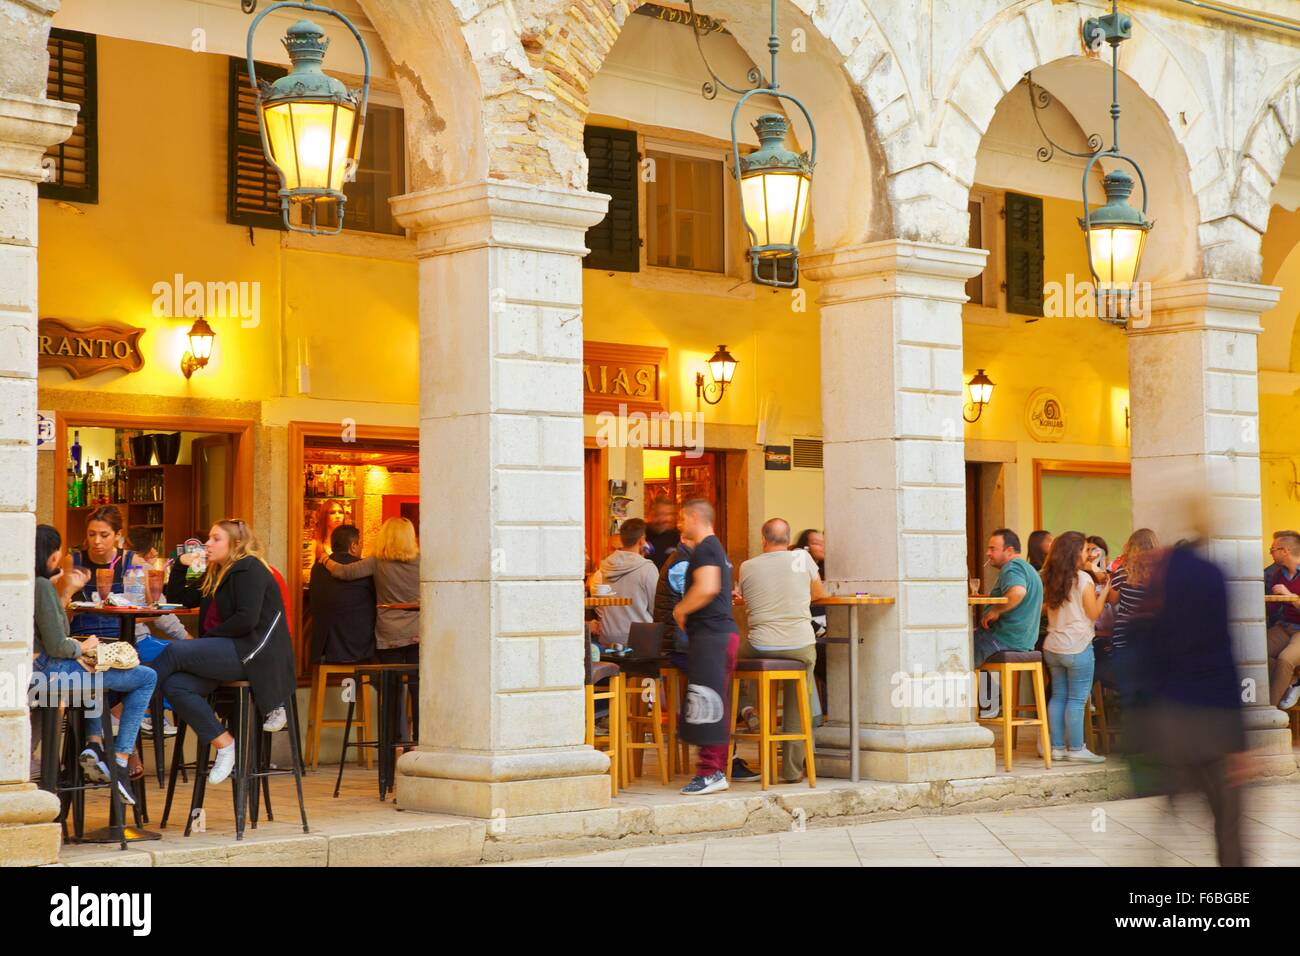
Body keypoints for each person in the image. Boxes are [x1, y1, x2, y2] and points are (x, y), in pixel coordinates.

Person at [1129, 540, 1249, 866]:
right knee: (1228, 819)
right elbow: (1224, 662)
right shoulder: (1211, 579)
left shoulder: (1156, 592)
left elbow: (1141, 661)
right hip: (1213, 723)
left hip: (1170, 722)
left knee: (1167, 818)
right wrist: (1240, 743)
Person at [154, 519, 296, 785]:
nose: (207, 544)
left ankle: (123, 708)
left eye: (216, 538)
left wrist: (205, 642)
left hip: (250, 654)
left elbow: (246, 620)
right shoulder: (216, 571)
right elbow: (178, 599)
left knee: (175, 651)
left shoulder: (249, 568)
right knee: (176, 685)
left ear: (236, 544)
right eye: (208, 538)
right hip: (225, 652)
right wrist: (179, 567)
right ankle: (223, 743)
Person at [30, 524, 157, 806]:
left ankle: (95, 744)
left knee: (96, 676)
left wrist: (66, 593)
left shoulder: (34, 584)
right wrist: (83, 647)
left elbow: (54, 630)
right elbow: (58, 644)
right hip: (53, 674)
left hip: (43, 674)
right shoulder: (40, 585)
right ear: (51, 555)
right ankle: (121, 759)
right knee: (146, 677)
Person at [736, 518, 827, 783]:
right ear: (788, 540)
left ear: (763, 539)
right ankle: (791, 770)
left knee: (732, 660)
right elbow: (818, 594)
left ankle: (749, 710)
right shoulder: (802, 558)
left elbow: (745, 599)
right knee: (797, 699)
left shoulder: (747, 566)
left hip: (761, 646)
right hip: (799, 644)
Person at [673, 499, 737, 795]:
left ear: (694, 517)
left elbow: (708, 587)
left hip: (714, 636)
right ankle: (715, 770)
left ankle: (710, 772)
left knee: (708, 701)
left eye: (682, 518)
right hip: (715, 636)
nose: (679, 524)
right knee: (711, 701)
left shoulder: (707, 548)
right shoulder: (715, 549)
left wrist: (681, 610)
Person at [1040, 530, 1110, 763]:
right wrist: (1105, 591)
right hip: (1078, 646)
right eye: (1084, 549)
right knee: (1077, 700)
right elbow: (1093, 612)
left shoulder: (1050, 577)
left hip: (1052, 646)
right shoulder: (1083, 579)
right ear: (1074, 552)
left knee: (1058, 696)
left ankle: (1058, 747)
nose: (1087, 553)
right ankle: (1077, 748)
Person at [322, 516, 421, 665]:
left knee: (390, 679)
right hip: (417, 627)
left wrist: (325, 559)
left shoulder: (377, 561)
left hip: (389, 630)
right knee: (417, 679)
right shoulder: (423, 561)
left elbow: (343, 572)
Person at [1097, 528, 1159, 694]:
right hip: (1154, 638)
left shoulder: (1124, 572)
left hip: (1126, 637)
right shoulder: (1162, 573)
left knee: (1129, 692)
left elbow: (1112, 600)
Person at [67, 505, 143, 640]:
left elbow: (145, 608)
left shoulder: (131, 562)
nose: (96, 541)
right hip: (80, 638)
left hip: (120, 638)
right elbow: (57, 610)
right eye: (91, 534)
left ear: (118, 535)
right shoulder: (73, 561)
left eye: (104, 535)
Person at [973, 529, 1043, 667]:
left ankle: (958, 688)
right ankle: (991, 690)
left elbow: (1018, 592)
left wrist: (996, 610)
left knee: (959, 651)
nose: (988, 553)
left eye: (993, 549)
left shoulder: (1012, 567)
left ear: (1009, 551)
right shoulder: (1028, 569)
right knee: (975, 653)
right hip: (1024, 640)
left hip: (1005, 638)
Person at [309, 524, 376, 664]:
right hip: (356, 648)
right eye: (360, 544)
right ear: (353, 546)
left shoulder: (317, 568)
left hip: (323, 647)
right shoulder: (361, 568)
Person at [588, 518, 658, 646]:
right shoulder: (647, 568)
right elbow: (656, 608)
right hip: (638, 639)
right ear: (642, 540)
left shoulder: (606, 566)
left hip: (607, 637)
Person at [1264, 530, 1300, 709]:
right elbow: (1271, 608)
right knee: (1254, 653)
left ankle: (1267, 711)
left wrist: (1291, 596)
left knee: (1285, 659)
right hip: (1283, 627)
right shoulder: (1277, 574)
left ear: (1284, 550)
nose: (1271, 553)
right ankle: (1292, 680)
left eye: (1272, 549)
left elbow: (1289, 598)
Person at [644, 498, 682, 569]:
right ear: (652, 514)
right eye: (660, 514)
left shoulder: (679, 538)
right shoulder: (642, 535)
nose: (665, 519)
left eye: (668, 514)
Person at [313, 498, 347, 565]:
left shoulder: (349, 542)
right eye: (332, 513)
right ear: (324, 516)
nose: (337, 516)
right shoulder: (316, 543)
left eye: (340, 512)